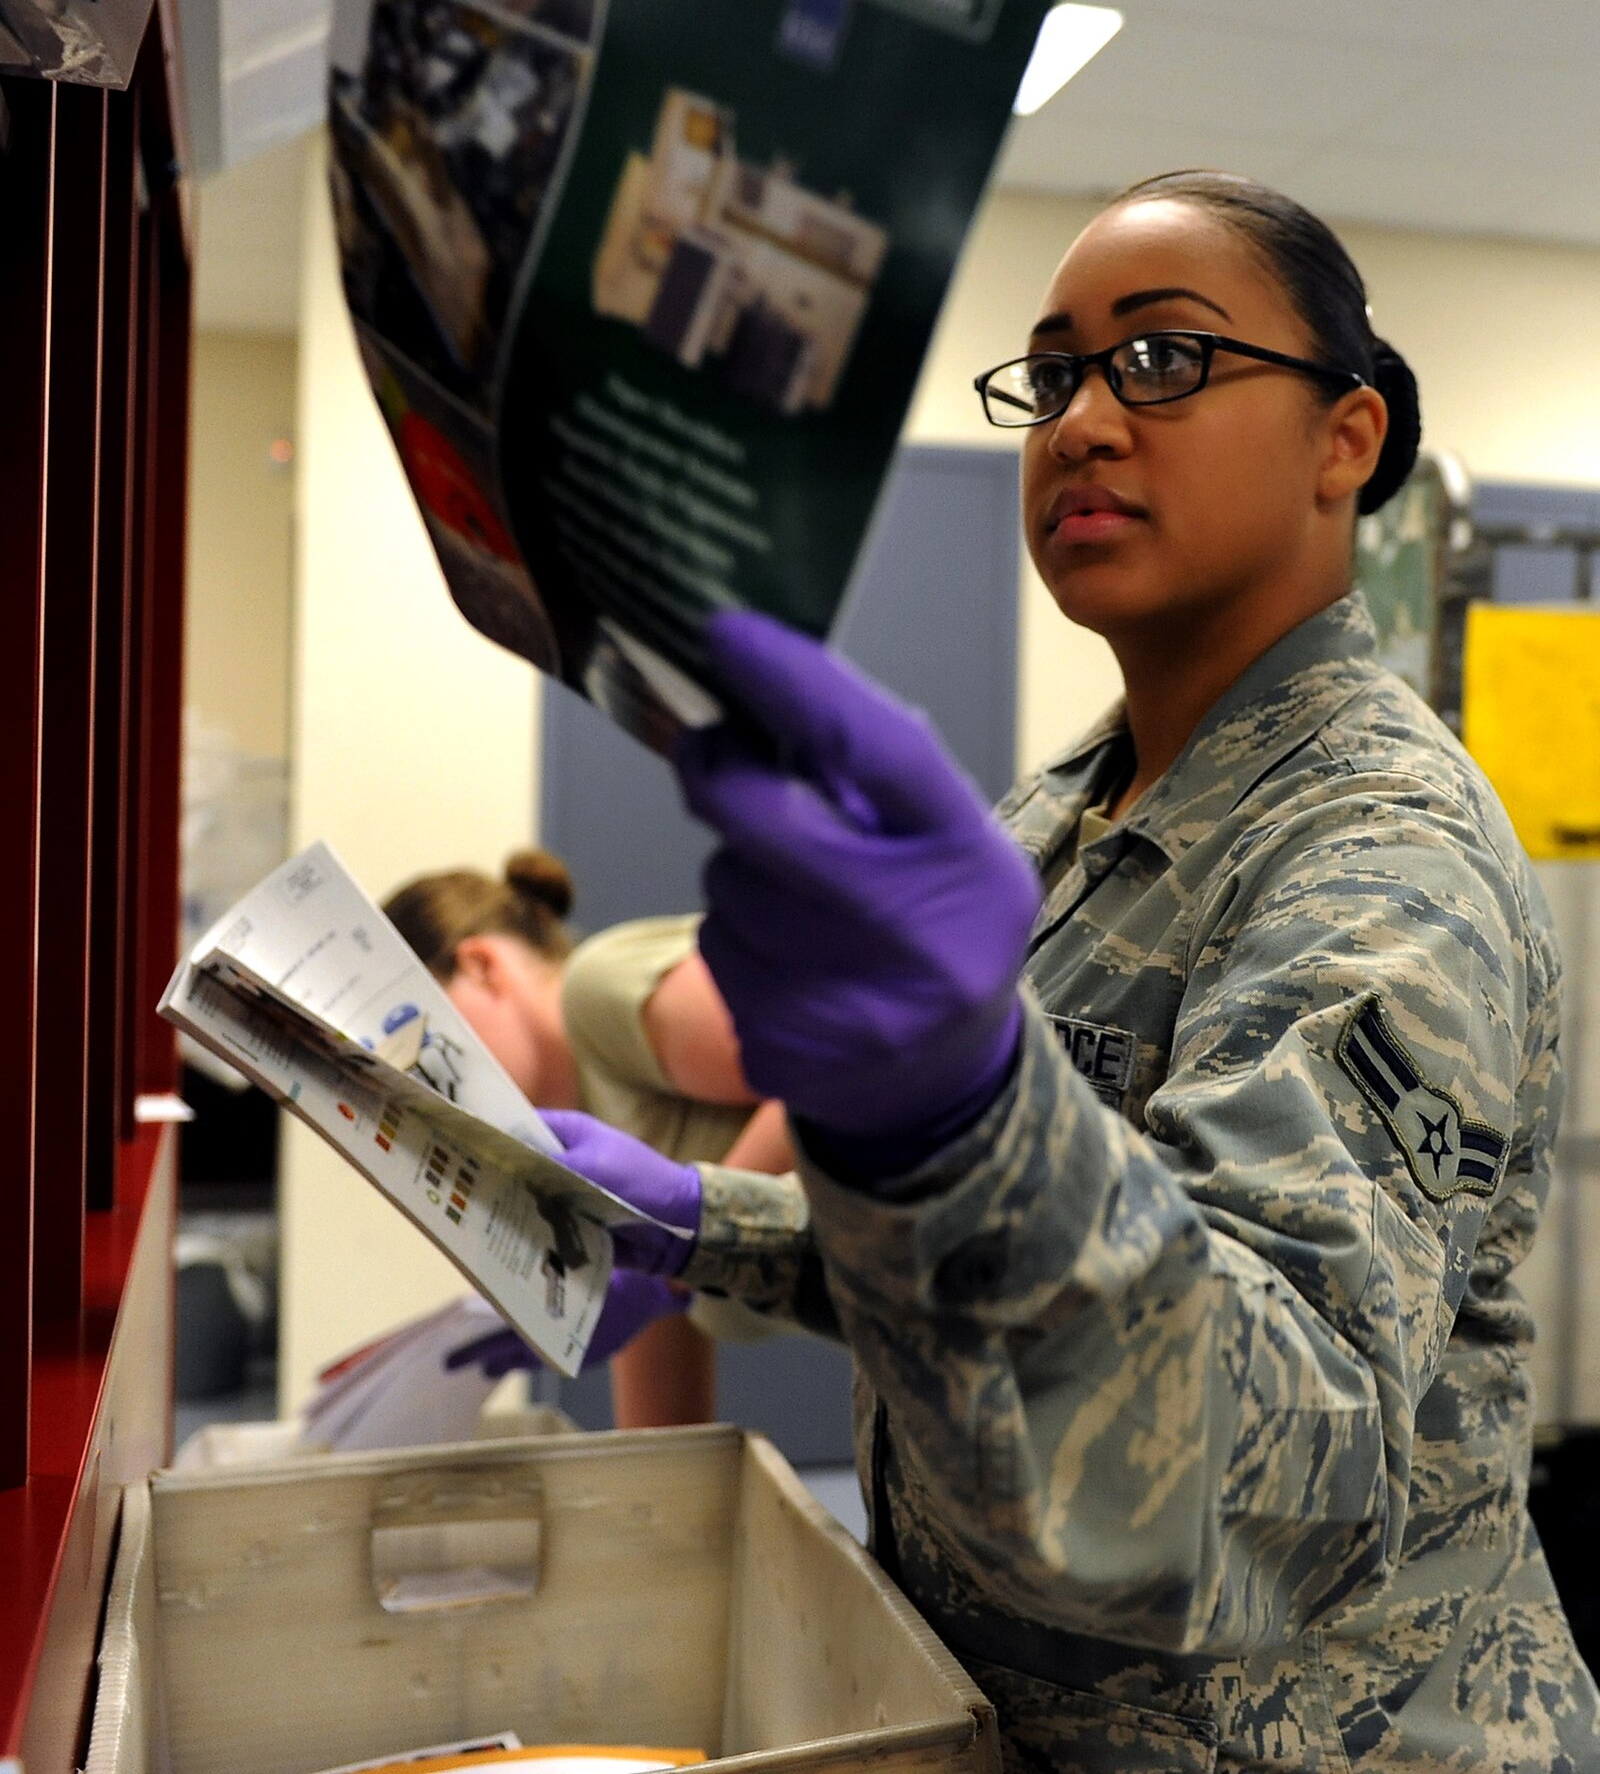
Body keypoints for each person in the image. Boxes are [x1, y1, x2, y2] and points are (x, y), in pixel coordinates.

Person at [538, 171, 1600, 1769]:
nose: (1084, 423)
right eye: (1053, 375)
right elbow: (1011, 1270)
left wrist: (954, 1111)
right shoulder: (1059, 812)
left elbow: (1261, 1462)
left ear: (1346, 440)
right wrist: (709, 1227)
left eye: (1163, 358)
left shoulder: (1385, 857)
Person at [383, 851, 792, 1426]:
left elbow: (845, 1061)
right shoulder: (585, 1165)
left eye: (424, 1049)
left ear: (480, 965)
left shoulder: (600, 991)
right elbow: (666, 1445)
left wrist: (676, 1258)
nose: (434, 1090)